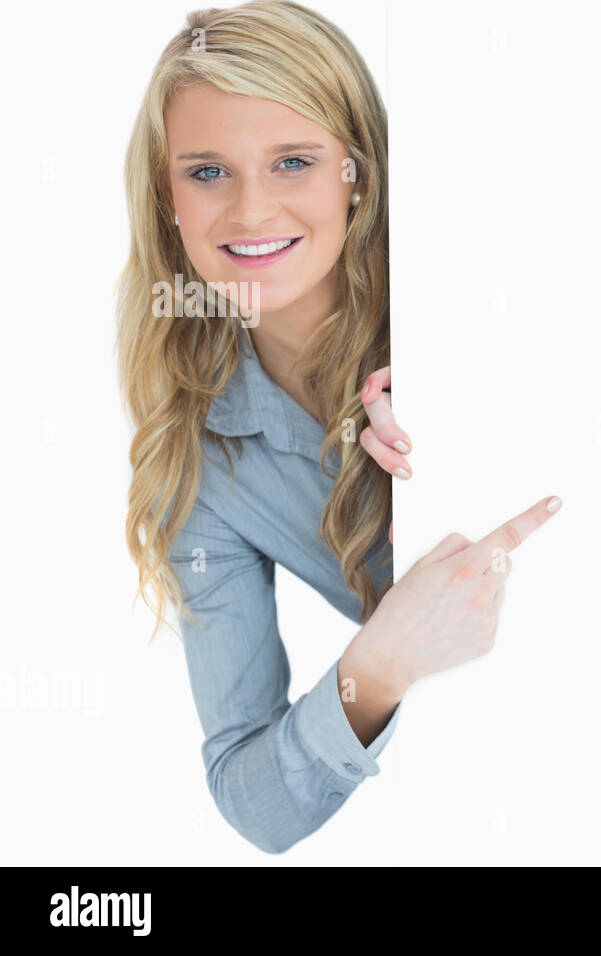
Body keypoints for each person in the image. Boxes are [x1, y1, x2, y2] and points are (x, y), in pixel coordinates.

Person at [116, 0, 561, 854]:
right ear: (165, 197)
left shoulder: (481, 278)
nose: (251, 211)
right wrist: (378, 667)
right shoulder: (202, 460)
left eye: (293, 161)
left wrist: (463, 421)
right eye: (208, 172)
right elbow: (253, 799)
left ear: (357, 171)